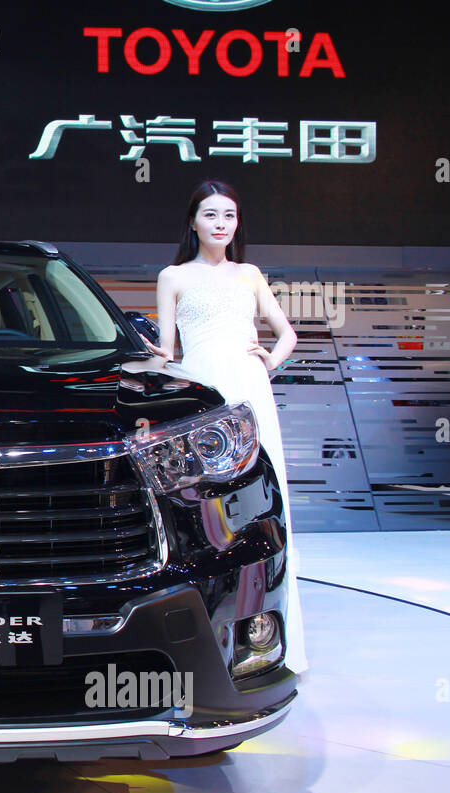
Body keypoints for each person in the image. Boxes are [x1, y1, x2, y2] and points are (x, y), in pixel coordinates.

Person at [148, 180, 309, 675]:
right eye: (212, 215)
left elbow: (288, 334)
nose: (222, 224)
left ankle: (273, 633)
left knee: (264, 490)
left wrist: (270, 362)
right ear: (194, 221)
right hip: (204, 384)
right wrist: (152, 360)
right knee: (208, 495)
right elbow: (168, 350)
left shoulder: (249, 274)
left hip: (248, 384)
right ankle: (213, 618)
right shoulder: (173, 276)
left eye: (231, 216)